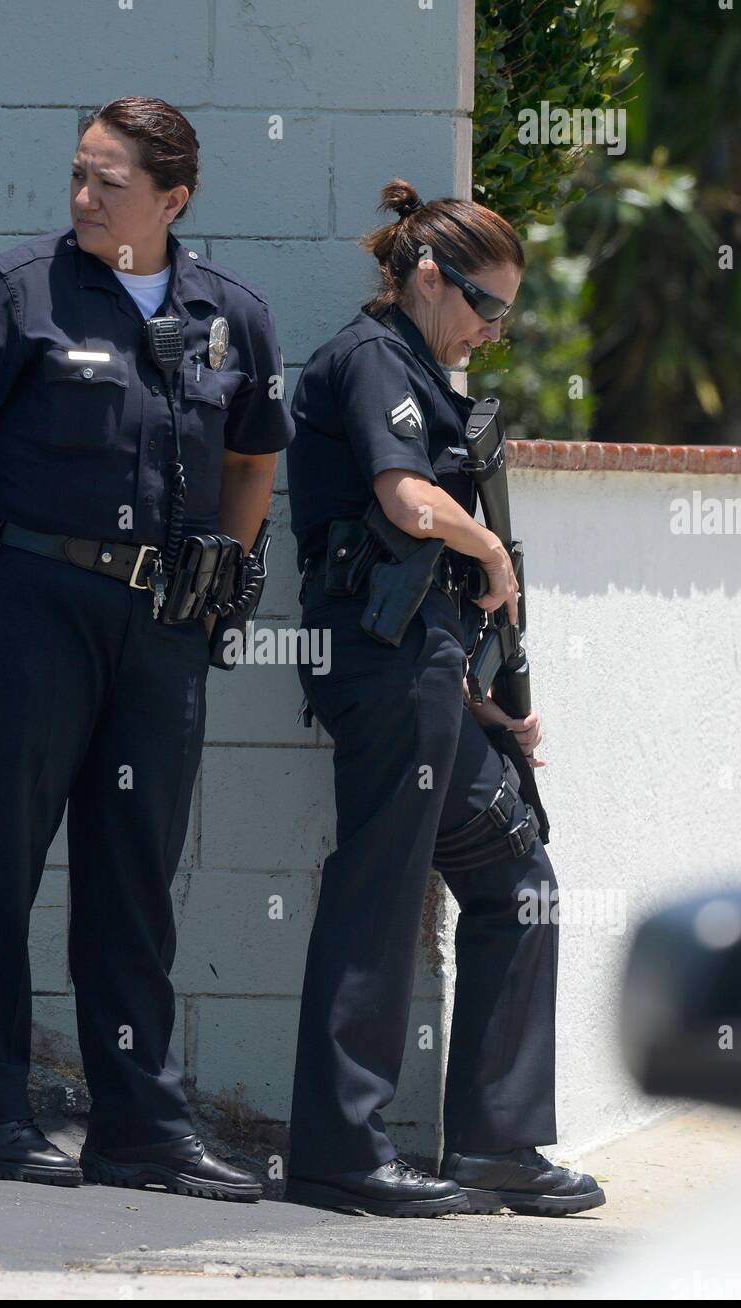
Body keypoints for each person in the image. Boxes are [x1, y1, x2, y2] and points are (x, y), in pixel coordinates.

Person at [0, 96, 293, 1200]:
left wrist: (224, 569)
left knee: (134, 883)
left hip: (163, 626)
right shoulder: (19, 290)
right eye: (77, 175)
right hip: (32, 605)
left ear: (173, 199)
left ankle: (140, 1131)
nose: (82, 198)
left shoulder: (231, 314)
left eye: (107, 183)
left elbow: (254, 456)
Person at [282, 181, 605, 1218]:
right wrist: (491, 556)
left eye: (504, 313)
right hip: (380, 672)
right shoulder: (374, 357)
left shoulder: (425, 367)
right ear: (428, 274)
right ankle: (339, 1151)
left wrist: (479, 694)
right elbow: (405, 502)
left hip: (424, 671)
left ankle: (496, 1145)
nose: (493, 329)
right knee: (376, 896)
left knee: (521, 879)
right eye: (485, 305)